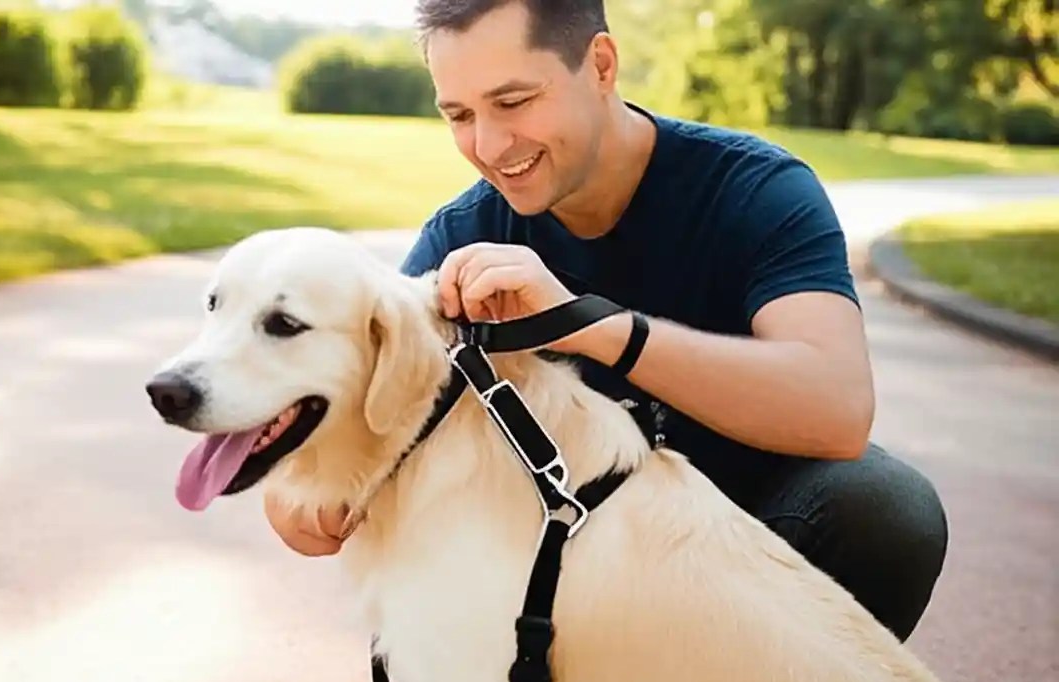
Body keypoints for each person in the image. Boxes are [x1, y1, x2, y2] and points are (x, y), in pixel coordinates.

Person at [263, 0, 948, 644]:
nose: (490, 144)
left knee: (883, 510)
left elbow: (836, 408)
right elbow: (356, 418)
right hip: (552, 578)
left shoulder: (755, 191)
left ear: (600, 65)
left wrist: (588, 324)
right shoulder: (461, 237)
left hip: (740, 561)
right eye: (459, 114)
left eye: (513, 101)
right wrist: (301, 495)